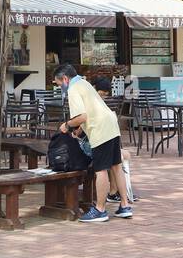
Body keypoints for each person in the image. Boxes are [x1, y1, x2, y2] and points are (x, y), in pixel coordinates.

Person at [54, 62, 132, 222]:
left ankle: (100, 210)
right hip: (111, 124)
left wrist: (67, 125)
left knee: (101, 170)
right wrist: (79, 130)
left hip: (100, 130)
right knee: (116, 166)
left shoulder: (73, 90)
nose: (59, 86)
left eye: (59, 83)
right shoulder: (84, 83)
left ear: (65, 78)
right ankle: (125, 206)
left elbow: (82, 117)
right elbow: (91, 110)